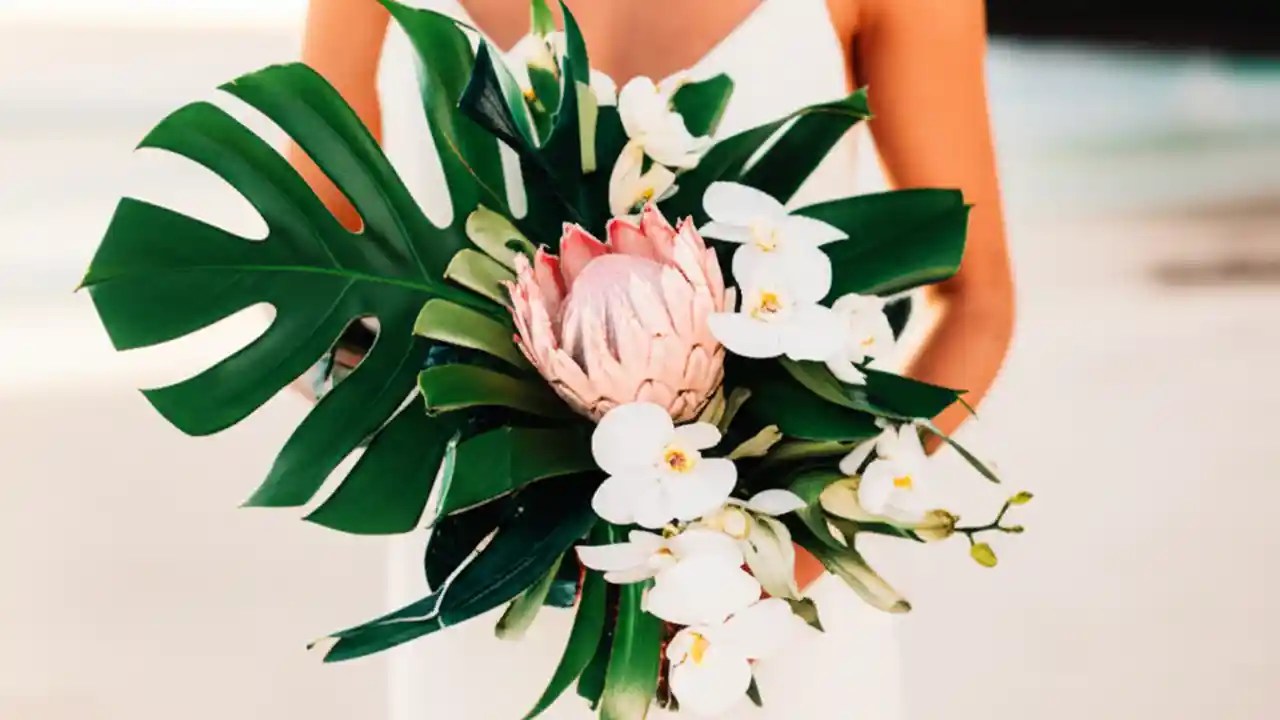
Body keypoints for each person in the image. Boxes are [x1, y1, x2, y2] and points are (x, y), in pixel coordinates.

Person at [292, 1, 1015, 717]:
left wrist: (774, 566)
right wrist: (457, 463)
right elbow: (305, 284)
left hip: (763, 609)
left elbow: (978, 300)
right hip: (486, 581)